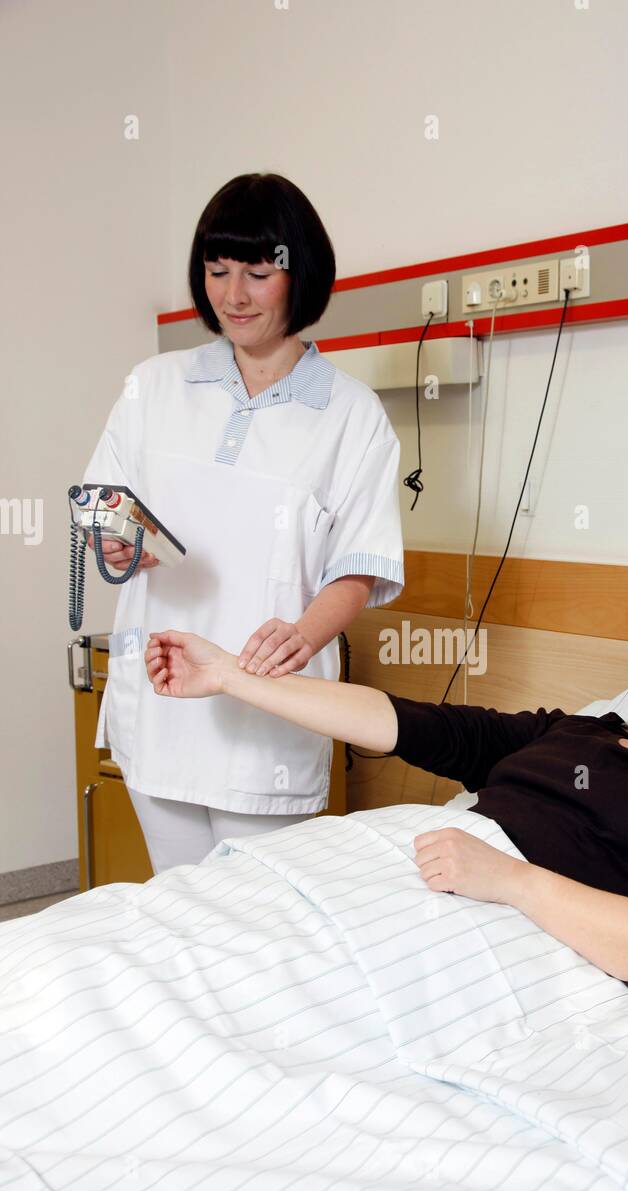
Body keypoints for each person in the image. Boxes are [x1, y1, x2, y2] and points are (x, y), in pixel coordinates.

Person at [143, 589, 628, 1002]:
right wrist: (230, 677)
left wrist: (513, 881)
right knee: (165, 942)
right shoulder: (573, 732)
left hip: (469, 916)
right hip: (380, 868)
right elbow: (400, 721)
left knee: (206, 989)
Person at [83, 173, 404, 873]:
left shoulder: (351, 415)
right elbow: (104, 515)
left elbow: (360, 564)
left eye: (258, 273)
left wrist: (302, 635)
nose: (233, 294)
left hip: (270, 710)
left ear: (300, 275)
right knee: (178, 912)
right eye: (218, 270)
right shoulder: (154, 388)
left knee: (258, 928)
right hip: (162, 704)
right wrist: (116, 547)